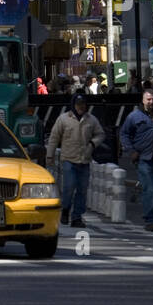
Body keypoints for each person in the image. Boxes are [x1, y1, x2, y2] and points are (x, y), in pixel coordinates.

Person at [45, 92, 105, 228]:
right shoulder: (63, 119)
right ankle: (65, 209)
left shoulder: (91, 120)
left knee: (82, 190)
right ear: (73, 105)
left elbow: (100, 134)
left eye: (83, 104)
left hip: (84, 160)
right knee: (69, 188)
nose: (81, 107)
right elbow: (54, 137)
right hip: (68, 159)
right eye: (78, 104)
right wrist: (50, 155)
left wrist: (93, 144)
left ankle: (77, 216)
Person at [120, 85, 153, 232]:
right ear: (143, 101)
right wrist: (131, 151)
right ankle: (150, 220)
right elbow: (124, 134)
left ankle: (152, 212)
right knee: (149, 190)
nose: (151, 102)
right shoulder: (134, 116)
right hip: (144, 159)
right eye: (148, 99)